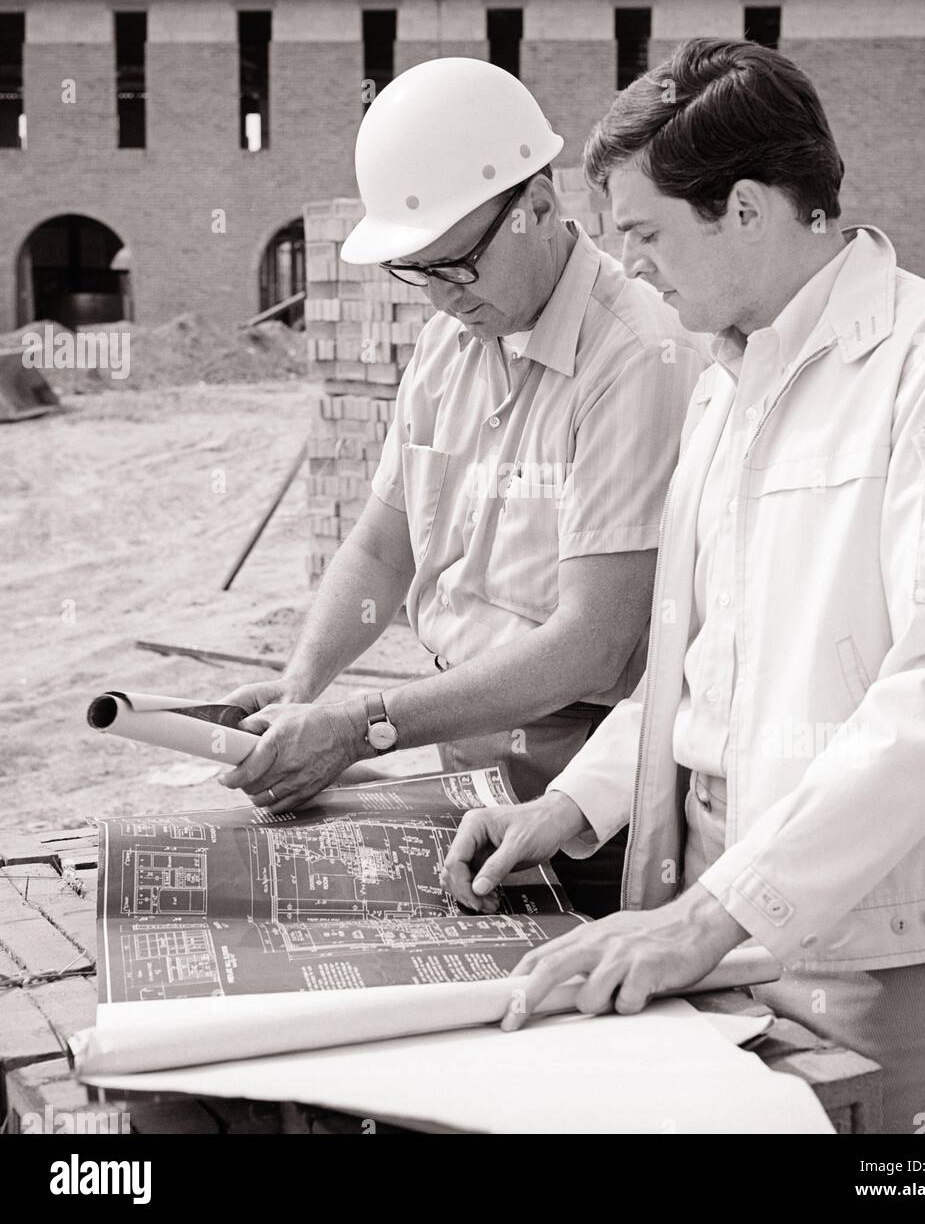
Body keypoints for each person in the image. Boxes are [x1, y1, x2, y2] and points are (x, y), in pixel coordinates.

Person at [440, 37, 925, 1133]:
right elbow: (697, 657)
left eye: (646, 234)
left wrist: (713, 916)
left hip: (869, 935)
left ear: (749, 210)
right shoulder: (727, 379)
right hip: (706, 893)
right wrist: (575, 802)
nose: (630, 267)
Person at [219, 57, 708, 916]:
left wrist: (363, 725)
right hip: (464, 733)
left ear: (539, 210)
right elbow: (381, 543)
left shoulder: (636, 356)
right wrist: (303, 686)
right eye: (419, 272)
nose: (443, 297)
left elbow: (593, 642)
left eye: (456, 266)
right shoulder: (453, 344)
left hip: (584, 774)